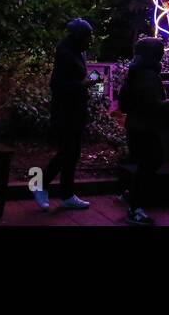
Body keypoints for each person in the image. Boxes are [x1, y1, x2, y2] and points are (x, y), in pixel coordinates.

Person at [116, 37, 169, 226]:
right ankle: (135, 209)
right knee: (152, 162)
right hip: (145, 128)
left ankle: (130, 196)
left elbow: (124, 103)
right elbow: (152, 106)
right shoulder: (148, 76)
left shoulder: (134, 73)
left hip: (135, 127)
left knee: (146, 163)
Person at [35, 18, 97, 211]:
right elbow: (57, 85)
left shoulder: (77, 52)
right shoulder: (65, 54)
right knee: (67, 152)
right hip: (65, 112)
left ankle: (67, 194)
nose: (90, 41)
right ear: (78, 36)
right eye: (87, 37)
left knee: (73, 153)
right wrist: (82, 85)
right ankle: (39, 185)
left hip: (76, 110)